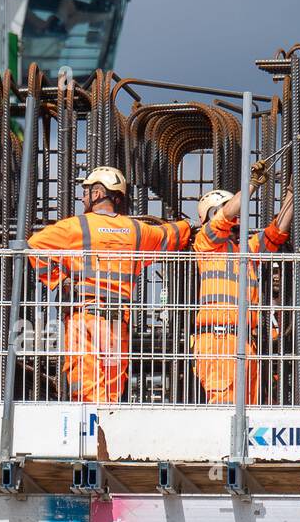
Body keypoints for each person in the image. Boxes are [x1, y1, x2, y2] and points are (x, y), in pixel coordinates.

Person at [27, 165, 190, 403]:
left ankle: (91, 433)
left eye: (86, 192)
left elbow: (33, 246)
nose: (83, 198)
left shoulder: (76, 226)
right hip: (116, 322)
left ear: (97, 193)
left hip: (84, 319)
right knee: (113, 388)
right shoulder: (137, 230)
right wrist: (195, 224)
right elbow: (170, 235)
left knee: (86, 386)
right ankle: (107, 431)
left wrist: (58, 279)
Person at [191, 179, 294, 403]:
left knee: (251, 409)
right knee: (224, 409)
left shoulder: (247, 250)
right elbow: (226, 216)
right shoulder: (205, 244)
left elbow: (277, 232)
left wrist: (292, 193)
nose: (238, 218)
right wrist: (251, 184)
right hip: (218, 341)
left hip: (245, 343)